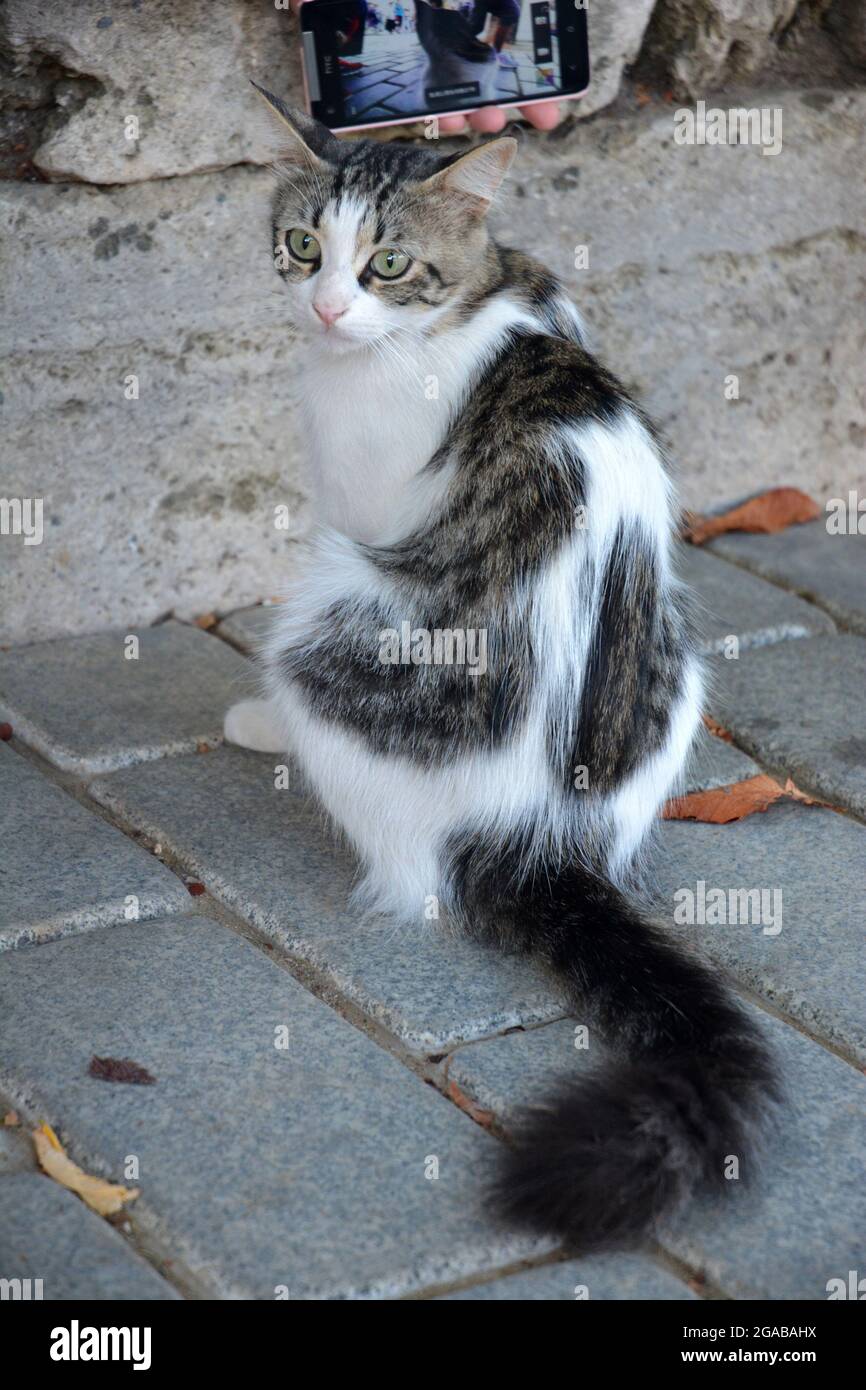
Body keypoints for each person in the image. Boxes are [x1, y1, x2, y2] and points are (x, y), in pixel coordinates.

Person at [288, 0, 561, 132]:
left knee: (458, 91)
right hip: (439, 37)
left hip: (460, 45)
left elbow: (508, 14)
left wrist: (493, 47)